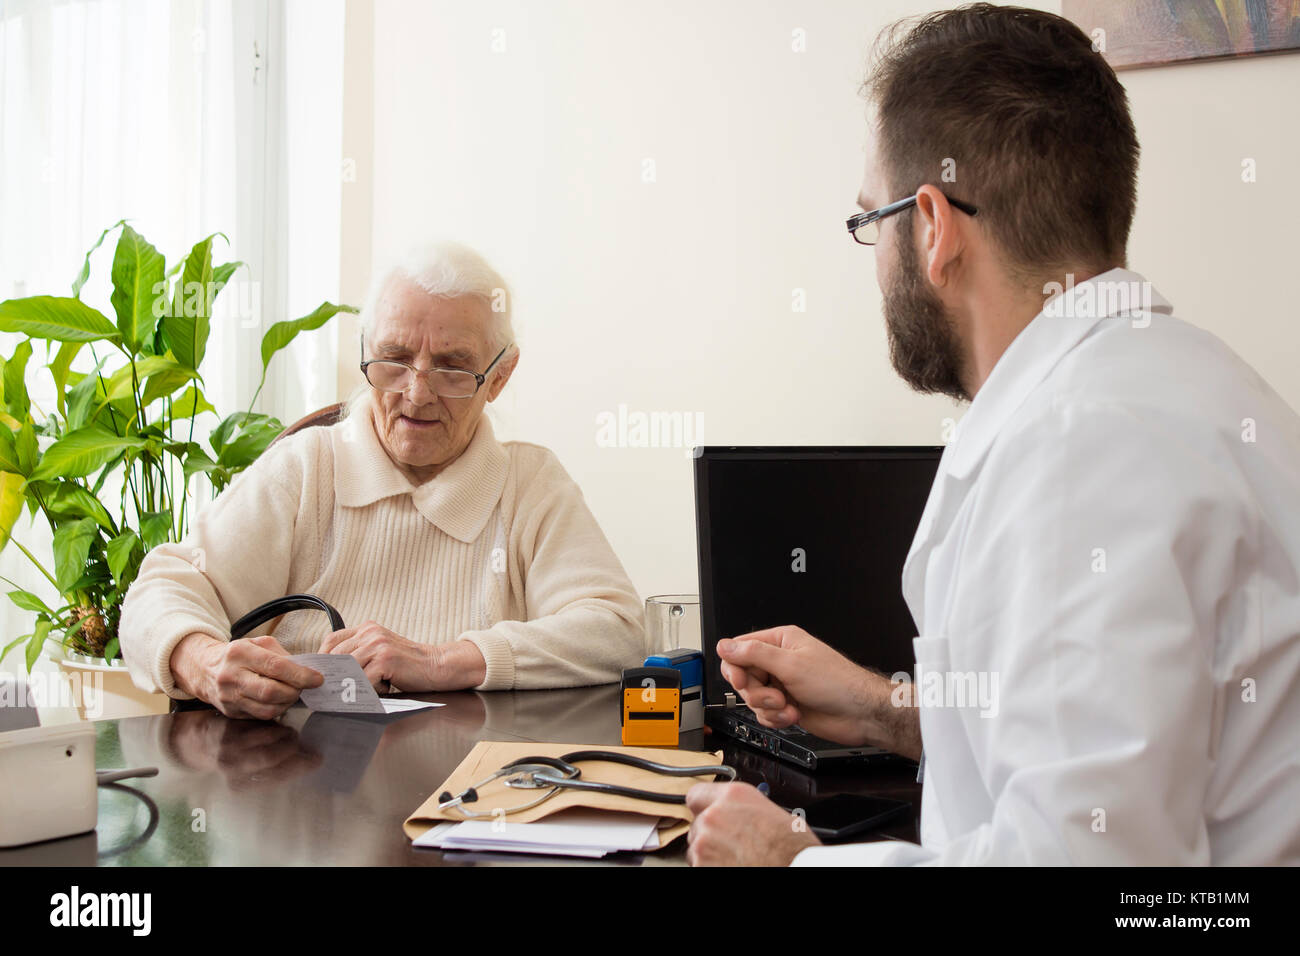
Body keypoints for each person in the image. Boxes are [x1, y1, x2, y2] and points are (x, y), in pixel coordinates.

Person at [686, 4, 1300, 865]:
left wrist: (790, 860)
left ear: (932, 226)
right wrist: (881, 710)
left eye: (872, 222)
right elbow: (1116, 739)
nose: (872, 256)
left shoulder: (1078, 450)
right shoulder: (1195, 384)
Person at [120, 241, 646, 719]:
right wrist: (205, 663)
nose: (417, 393)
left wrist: (444, 660)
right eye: (394, 360)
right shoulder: (307, 470)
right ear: (365, 350)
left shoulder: (528, 484)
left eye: (452, 368)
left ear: (500, 377)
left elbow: (616, 630)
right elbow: (160, 592)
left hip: (472, 801)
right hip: (300, 793)